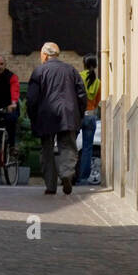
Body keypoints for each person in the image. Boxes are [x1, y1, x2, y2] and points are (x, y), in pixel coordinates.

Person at [26, 41, 86, 196]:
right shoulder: (71, 70)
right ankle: (66, 174)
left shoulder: (39, 72)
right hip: (69, 114)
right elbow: (82, 95)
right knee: (67, 146)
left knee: (47, 150)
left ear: (45, 55)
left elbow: (32, 98)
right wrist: (79, 114)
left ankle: (51, 185)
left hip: (46, 115)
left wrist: (33, 117)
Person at [78, 54, 101, 184]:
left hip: (78, 115)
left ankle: (70, 175)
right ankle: (83, 179)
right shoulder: (98, 83)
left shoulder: (79, 77)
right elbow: (97, 102)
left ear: (84, 64)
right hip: (91, 115)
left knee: (70, 145)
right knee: (87, 148)